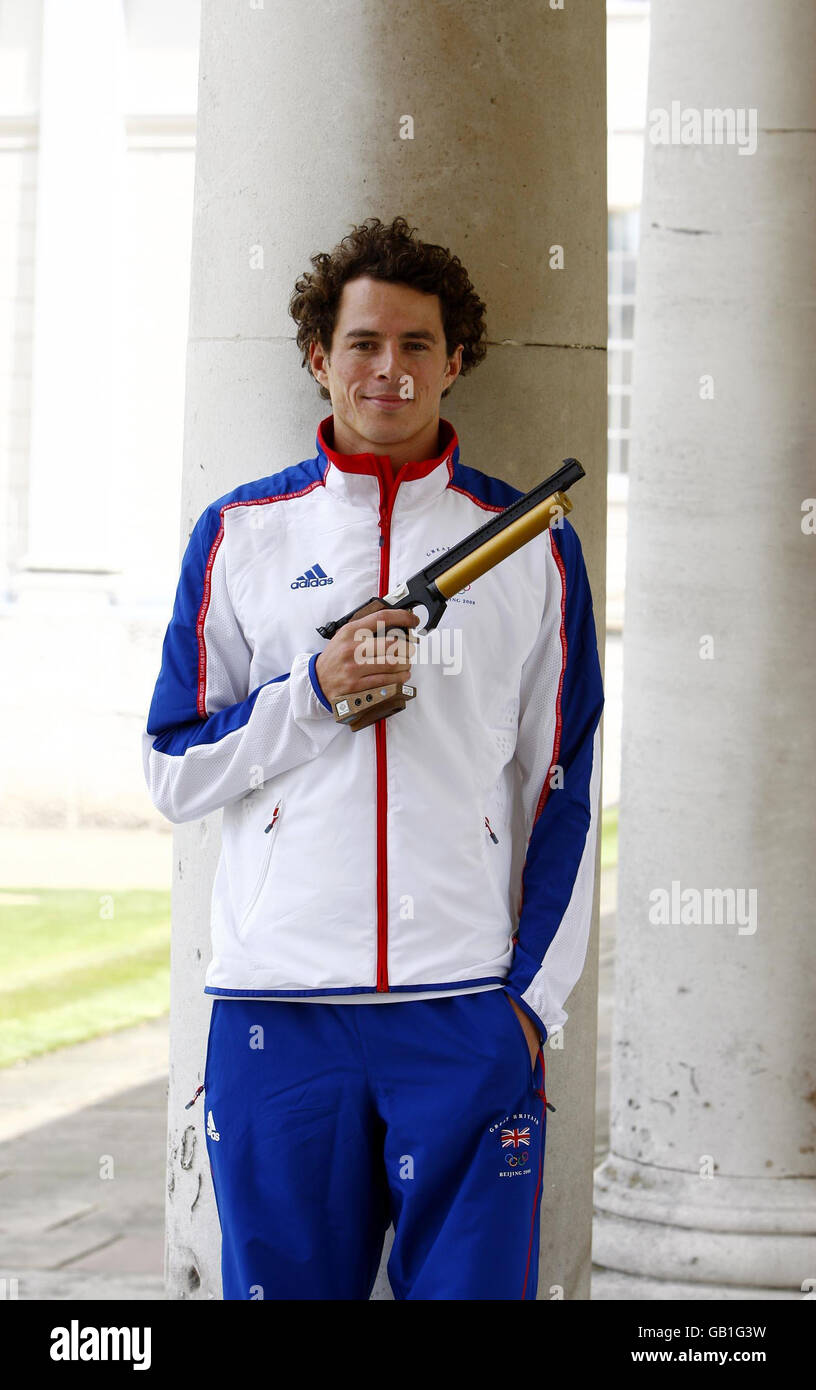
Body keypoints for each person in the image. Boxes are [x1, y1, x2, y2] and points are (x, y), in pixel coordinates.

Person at [142, 215, 604, 1301]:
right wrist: (312, 695)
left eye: (416, 343)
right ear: (319, 355)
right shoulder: (241, 534)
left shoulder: (531, 543)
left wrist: (530, 1006)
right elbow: (173, 770)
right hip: (279, 1018)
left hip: (464, 1010)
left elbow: (565, 786)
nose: (389, 369)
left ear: (456, 359)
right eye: (362, 342)